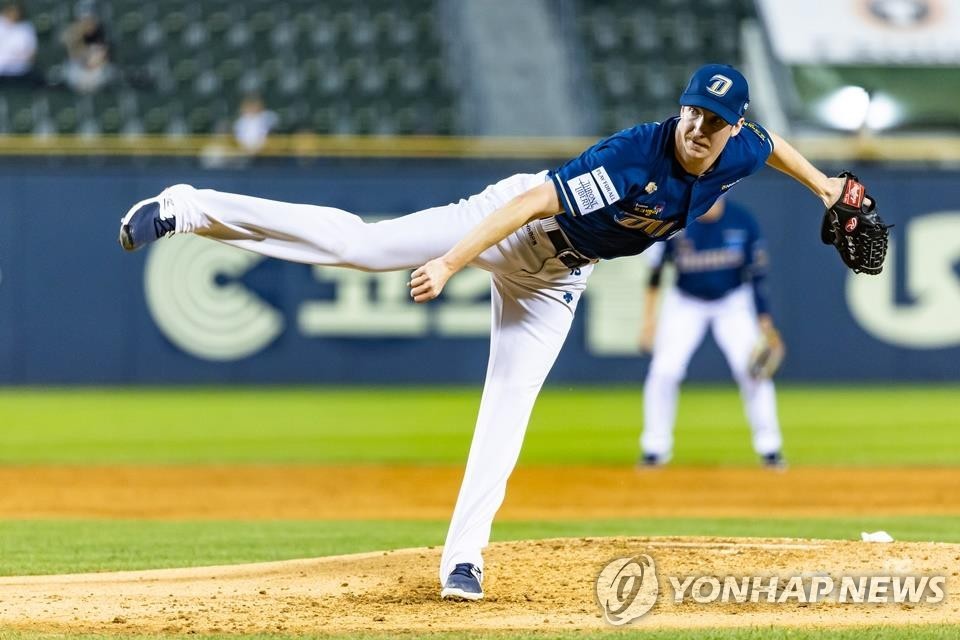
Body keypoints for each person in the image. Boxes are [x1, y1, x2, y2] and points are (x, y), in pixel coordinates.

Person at [117, 64, 851, 601]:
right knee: (367, 249)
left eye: (714, 122)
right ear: (680, 108)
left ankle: (461, 560)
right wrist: (449, 258)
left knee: (509, 408)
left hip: (561, 280)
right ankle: (193, 205)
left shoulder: (742, 147)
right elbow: (535, 200)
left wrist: (824, 186)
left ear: (732, 128)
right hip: (508, 227)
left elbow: (774, 144)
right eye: (692, 112)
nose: (699, 128)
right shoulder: (636, 155)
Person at [638, 196, 786, 469]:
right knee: (664, 370)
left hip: (732, 301)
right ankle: (654, 448)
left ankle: (770, 448)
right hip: (685, 301)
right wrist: (648, 320)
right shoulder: (675, 219)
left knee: (753, 370)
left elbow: (757, 277)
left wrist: (765, 322)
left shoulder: (742, 220)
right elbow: (655, 274)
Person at [62, 6, 113, 93]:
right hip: (80, 68)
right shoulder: (76, 35)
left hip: (96, 69)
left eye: (90, 21)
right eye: (85, 21)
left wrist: (92, 63)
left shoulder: (101, 33)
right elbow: (73, 54)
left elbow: (103, 57)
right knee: (70, 72)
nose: (88, 24)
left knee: (105, 73)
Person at [0, 2, 38, 83]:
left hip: (21, 70)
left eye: (16, 11)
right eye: (12, 11)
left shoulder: (27, 28)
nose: (14, 14)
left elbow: (31, 54)